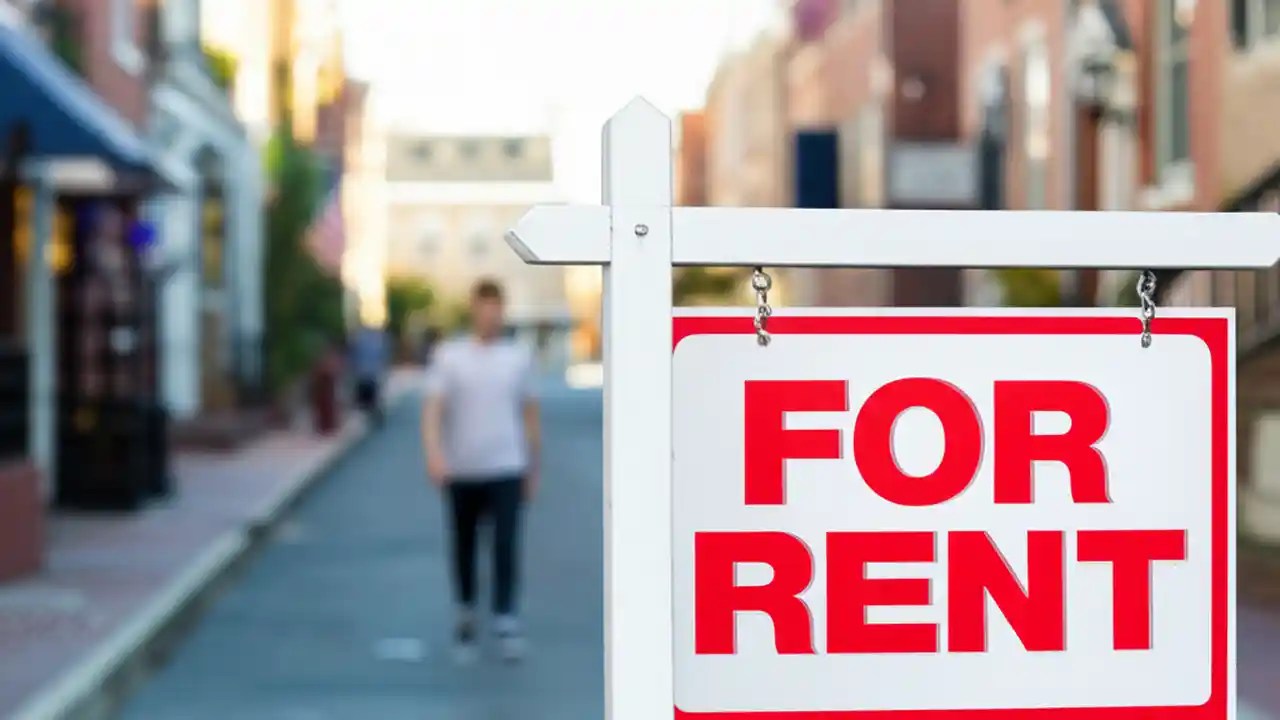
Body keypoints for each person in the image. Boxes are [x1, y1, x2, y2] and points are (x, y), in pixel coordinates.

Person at [422, 278, 541, 664]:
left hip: (506, 464)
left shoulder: (517, 357)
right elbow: (434, 409)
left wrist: (533, 465)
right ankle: (466, 610)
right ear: (474, 309)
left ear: (502, 311)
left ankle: (506, 615)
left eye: (496, 307)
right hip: (463, 466)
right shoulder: (450, 356)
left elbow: (529, 412)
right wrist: (434, 454)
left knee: (506, 543)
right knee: (464, 542)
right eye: (484, 307)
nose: (490, 315)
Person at [349, 324, 389, 426]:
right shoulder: (376, 340)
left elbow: (355, 357)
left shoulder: (362, 339)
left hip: (366, 373)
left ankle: (373, 416)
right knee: (370, 397)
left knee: (370, 397)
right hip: (369, 373)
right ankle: (373, 416)